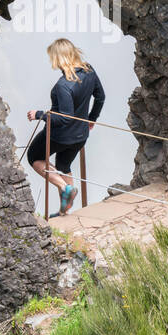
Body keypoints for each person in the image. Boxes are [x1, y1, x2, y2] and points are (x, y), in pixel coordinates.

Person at [26, 38, 105, 214]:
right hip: (80, 136)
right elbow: (101, 97)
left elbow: (65, 118)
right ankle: (65, 212)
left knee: (34, 157)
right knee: (63, 165)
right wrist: (91, 119)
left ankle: (64, 188)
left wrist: (39, 114)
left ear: (59, 58)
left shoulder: (63, 85)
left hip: (59, 136)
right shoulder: (89, 70)